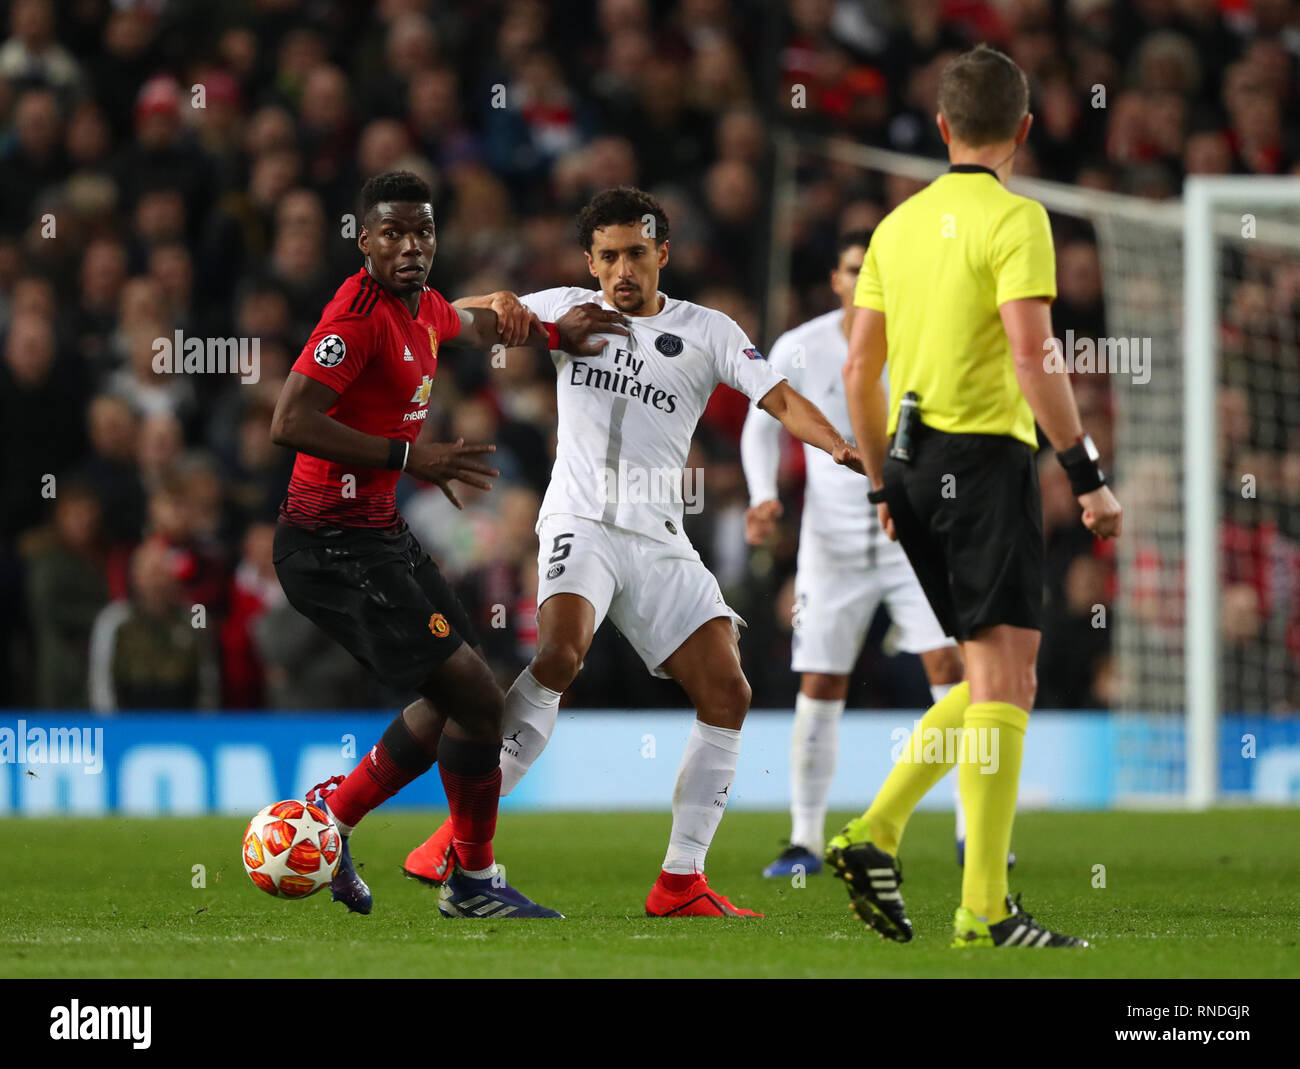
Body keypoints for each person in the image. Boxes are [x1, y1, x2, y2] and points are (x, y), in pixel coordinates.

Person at [404, 186, 864, 917]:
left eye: (637, 254)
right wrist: (498, 301)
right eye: (609, 256)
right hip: (580, 518)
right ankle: (455, 842)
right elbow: (449, 320)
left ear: (663, 255)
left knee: (729, 691)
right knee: (560, 653)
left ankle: (681, 881)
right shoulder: (567, 309)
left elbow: (778, 399)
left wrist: (838, 444)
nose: (624, 269)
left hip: (657, 537)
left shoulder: (709, 330)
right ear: (590, 262)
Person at [269, 170, 620, 920]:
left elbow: (473, 324)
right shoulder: (354, 320)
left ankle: (335, 817)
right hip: (328, 545)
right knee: (476, 697)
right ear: (365, 242)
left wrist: (555, 335)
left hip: (377, 535)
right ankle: (472, 881)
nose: (411, 246)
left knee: (461, 692)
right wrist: (409, 458)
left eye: (422, 232)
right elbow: (289, 420)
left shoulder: (421, 308)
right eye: (393, 233)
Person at [834, 45, 1121, 948]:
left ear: (943, 127)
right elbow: (1033, 353)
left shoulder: (896, 226)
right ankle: (982, 905)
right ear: (1024, 130)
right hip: (986, 460)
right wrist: (1085, 473)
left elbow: (859, 367)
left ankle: (884, 835)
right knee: (1004, 681)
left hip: (912, 465)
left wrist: (879, 480)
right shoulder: (1018, 218)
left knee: (1000, 678)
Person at [739, 231, 968, 879]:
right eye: (853, 269)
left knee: (951, 667)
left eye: (876, 270)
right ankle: (804, 839)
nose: (865, 279)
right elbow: (762, 425)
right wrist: (763, 496)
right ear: (835, 280)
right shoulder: (801, 346)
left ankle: (972, 830)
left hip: (914, 533)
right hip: (831, 542)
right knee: (820, 678)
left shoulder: (924, 340)